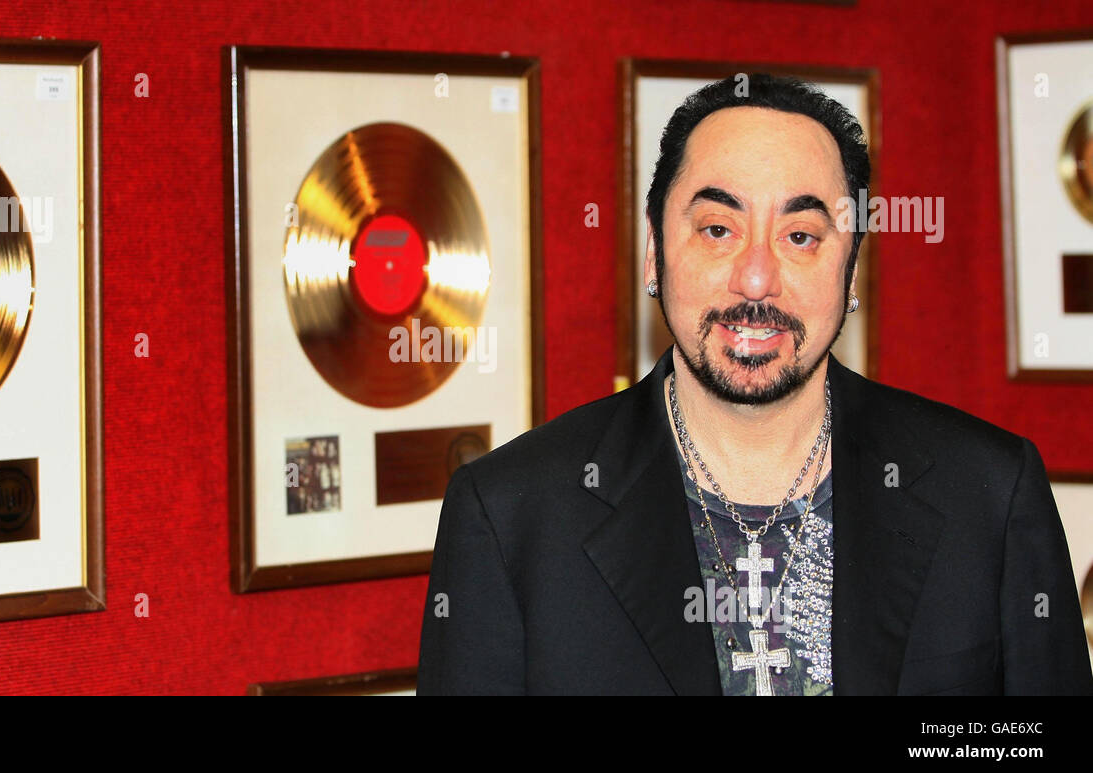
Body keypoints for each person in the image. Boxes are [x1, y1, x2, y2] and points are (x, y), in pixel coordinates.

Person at [417, 73, 1093, 696]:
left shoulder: (988, 493)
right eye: (718, 229)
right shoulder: (510, 516)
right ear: (655, 253)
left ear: (851, 272)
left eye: (801, 236)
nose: (758, 279)